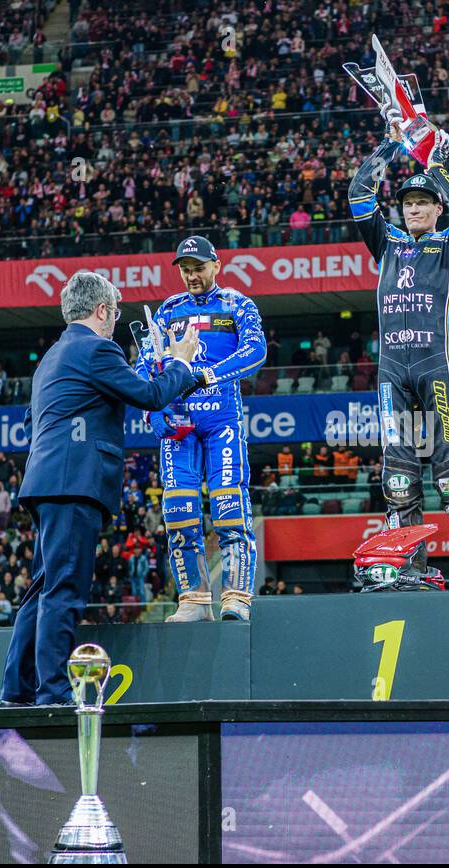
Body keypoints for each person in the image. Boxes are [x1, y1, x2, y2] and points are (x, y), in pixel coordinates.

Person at [1, 270, 201, 706]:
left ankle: (16, 688)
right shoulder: (97, 349)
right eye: (115, 311)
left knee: (44, 585)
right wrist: (183, 362)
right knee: (65, 589)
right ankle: (52, 692)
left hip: (46, 480)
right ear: (102, 310)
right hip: (76, 483)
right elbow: (149, 395)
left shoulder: (53, 356)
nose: (115, 320)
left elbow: (31, 423)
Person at [347, 106, 449, 587]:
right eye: (407, 202)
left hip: (436, 371)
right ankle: (409, 570)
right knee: (398, 479)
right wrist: (393, 143)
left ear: (436, 209)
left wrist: (434, 167)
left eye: (422, 202)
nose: (412, 208)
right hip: (392, 372)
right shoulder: (385, 243)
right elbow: (358, 193)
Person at [135, 235, 267, 622]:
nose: (191, 275)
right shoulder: (168, 309)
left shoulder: (237, 303)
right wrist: (151, 407)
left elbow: (256, 351)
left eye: (198, 268)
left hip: (221, 421)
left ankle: (237, 596)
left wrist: (205, 375)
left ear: (216, 265)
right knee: (178, 511)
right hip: (179, 425)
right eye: (185, 269)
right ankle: (193, 599)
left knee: (229, 507)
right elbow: (145, 361)